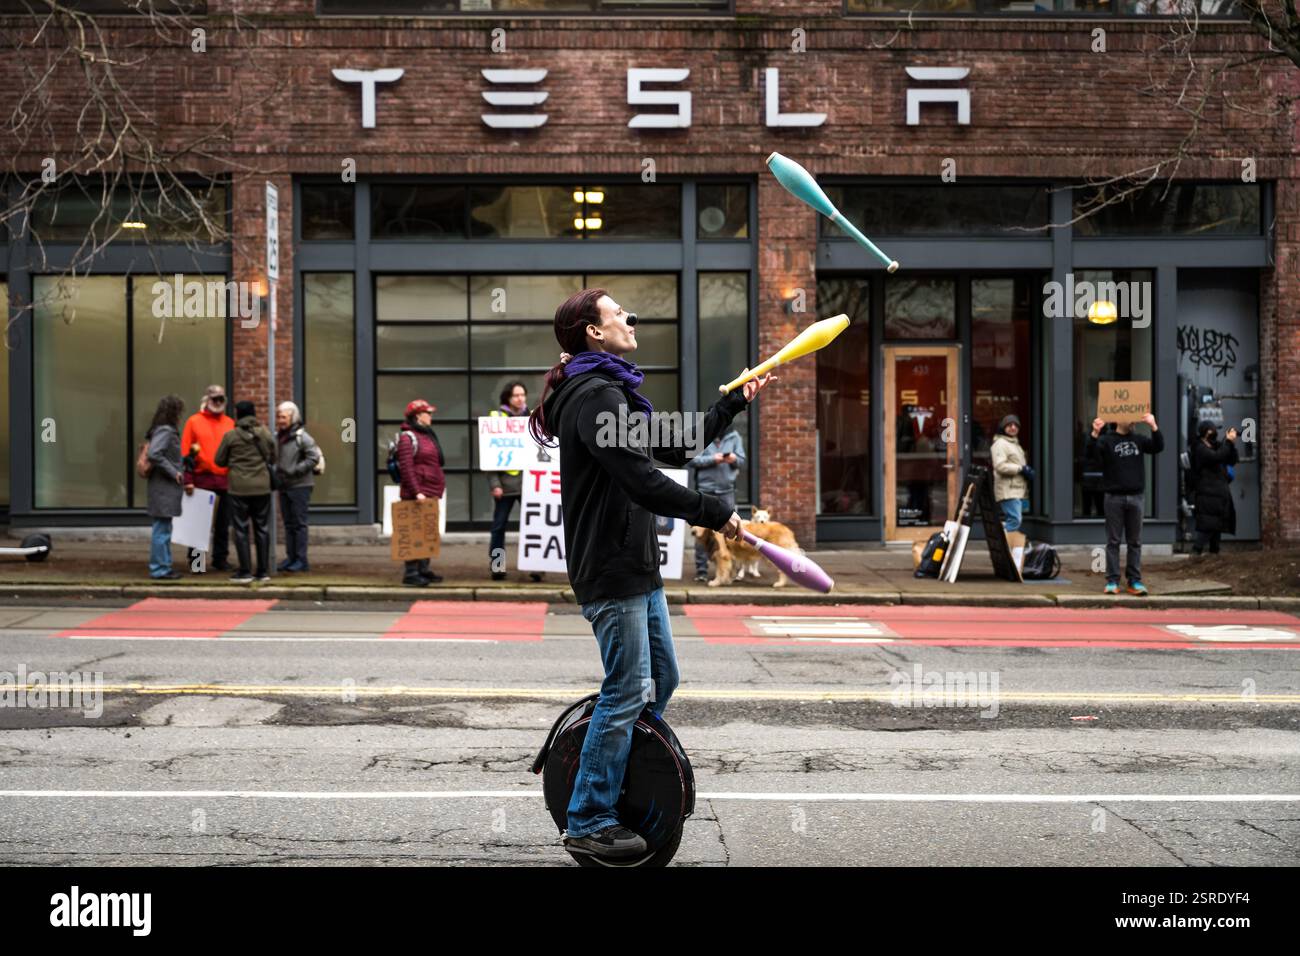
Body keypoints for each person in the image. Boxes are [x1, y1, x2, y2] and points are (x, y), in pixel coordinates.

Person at [530, 287, 773, 860]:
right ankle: (589, 815)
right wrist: (717, 512)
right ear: (593, 331)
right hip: (611, 568)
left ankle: (617, 767)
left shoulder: (608, 392)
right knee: (628, 689)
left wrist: (732, 403)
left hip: (636, 564)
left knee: (660, 680)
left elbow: (670, 444)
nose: (630, 321)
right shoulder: (594, 397)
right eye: (619, 314)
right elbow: (644, 481)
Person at [1088, 411, 1164, 595]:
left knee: (1135, 542)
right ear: (1117, 419)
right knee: (1113, 541)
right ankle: (1112, 581)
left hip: (1136, 496)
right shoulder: (1107, 440)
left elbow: (1158, 447)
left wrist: (1154, 426)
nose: (1133, 419)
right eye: (1129, 415)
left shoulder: (1139, 439)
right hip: (1114, 496)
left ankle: (1134, 581)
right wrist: (1094, 434)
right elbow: (1091, 457)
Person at [215, 400, 276, 583]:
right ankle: (263, 571)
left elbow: (219, 460)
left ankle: (245, 571)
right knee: (262, 528)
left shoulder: (231, 436)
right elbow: (273, 456)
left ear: (237, 415)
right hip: (262, 487)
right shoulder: (265, 434)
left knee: (241, 529)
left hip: (239, 488)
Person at [487, 382, 541, 582]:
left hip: (531, 485)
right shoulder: (497, 419)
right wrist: (495, 484)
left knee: (535, 527)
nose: (520, 399)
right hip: (506, 487)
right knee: (499, 528)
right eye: (516, 395)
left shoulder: (533, 418)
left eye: (522, 395)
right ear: (507, 398)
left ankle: (537, 567)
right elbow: (490, 456)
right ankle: (497, 566)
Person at [180, 384, 234, 571]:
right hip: (201, 479)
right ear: (207, 400)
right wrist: (188, 479)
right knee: (198, 525)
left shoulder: (229, 423)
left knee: (223, 524)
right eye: (215, 399)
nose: (218, 402)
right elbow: (186, 452)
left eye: (221, 399)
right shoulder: (194, 422)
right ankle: (196, 563)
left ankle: (220, 560)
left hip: (225, 480)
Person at [396, 398, 446, 587]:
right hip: (418, 494)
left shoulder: (427, 435)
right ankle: (411, 572)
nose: (431, 416)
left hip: (430, 491)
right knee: (413, 532)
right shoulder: (407, 438)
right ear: (418, 416)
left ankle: (423, 569)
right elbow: (407, 468)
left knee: (428, 532)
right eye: (428, 413)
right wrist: (417, 492)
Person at [688, 429, 746, 582]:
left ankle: (731, 570)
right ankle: (701, 570)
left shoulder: (735, 436)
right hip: (705, 490)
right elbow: (692, 459)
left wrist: (733, 459)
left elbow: (742, 460)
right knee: (701, 533)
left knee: (731, 532)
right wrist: (713, 459)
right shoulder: (702, 434)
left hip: (727, 491)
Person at [145, 394, 189, 580]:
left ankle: (164, 566)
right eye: (178, 411)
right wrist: (175, 472)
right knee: (162, 529)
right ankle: (160, 569)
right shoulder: (166, 430)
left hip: (162, 486)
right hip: (164, 487)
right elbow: (155, 454)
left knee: (164, 528)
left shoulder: (160, 429)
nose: (180, 416)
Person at [275, 401, 322, 573]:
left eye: (283, 417)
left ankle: (301, 560)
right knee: (288, 524)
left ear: (293, 417)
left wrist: (294, 470)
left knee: (299, 524)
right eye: (279, 416)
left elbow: (313, 457)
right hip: (285, 485)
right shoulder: (279, 436)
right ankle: (291, 557)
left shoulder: (303, 437)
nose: (280, 420)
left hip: (300, 485)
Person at [1190, 420, 1238, 555]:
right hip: (1207, 493)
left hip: (1219, 493)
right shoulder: (1199, 448)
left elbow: (1231, 459)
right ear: (1205, 433)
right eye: (1213, 431)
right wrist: (1227, 443)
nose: (1215, 433)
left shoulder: (1216, 445)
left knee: (1218, 525)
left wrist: (1231, 444)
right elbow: (1216, 457)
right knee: (1208, 526)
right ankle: (1195, 553)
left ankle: (1214, 556)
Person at [990, 414, 1034, 534]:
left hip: (1017, 489)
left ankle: (1009, 546)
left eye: (1015, 425)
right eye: (1009, 425)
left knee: (1013, 520)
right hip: (1008, 490)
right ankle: (1003, 544)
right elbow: (999, 466)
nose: (1013, 427)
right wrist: (1020, 468)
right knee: (1015, 520)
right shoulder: (1000, 444)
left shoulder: (1014, 444)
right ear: (1003, 427)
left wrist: (1025, 470)